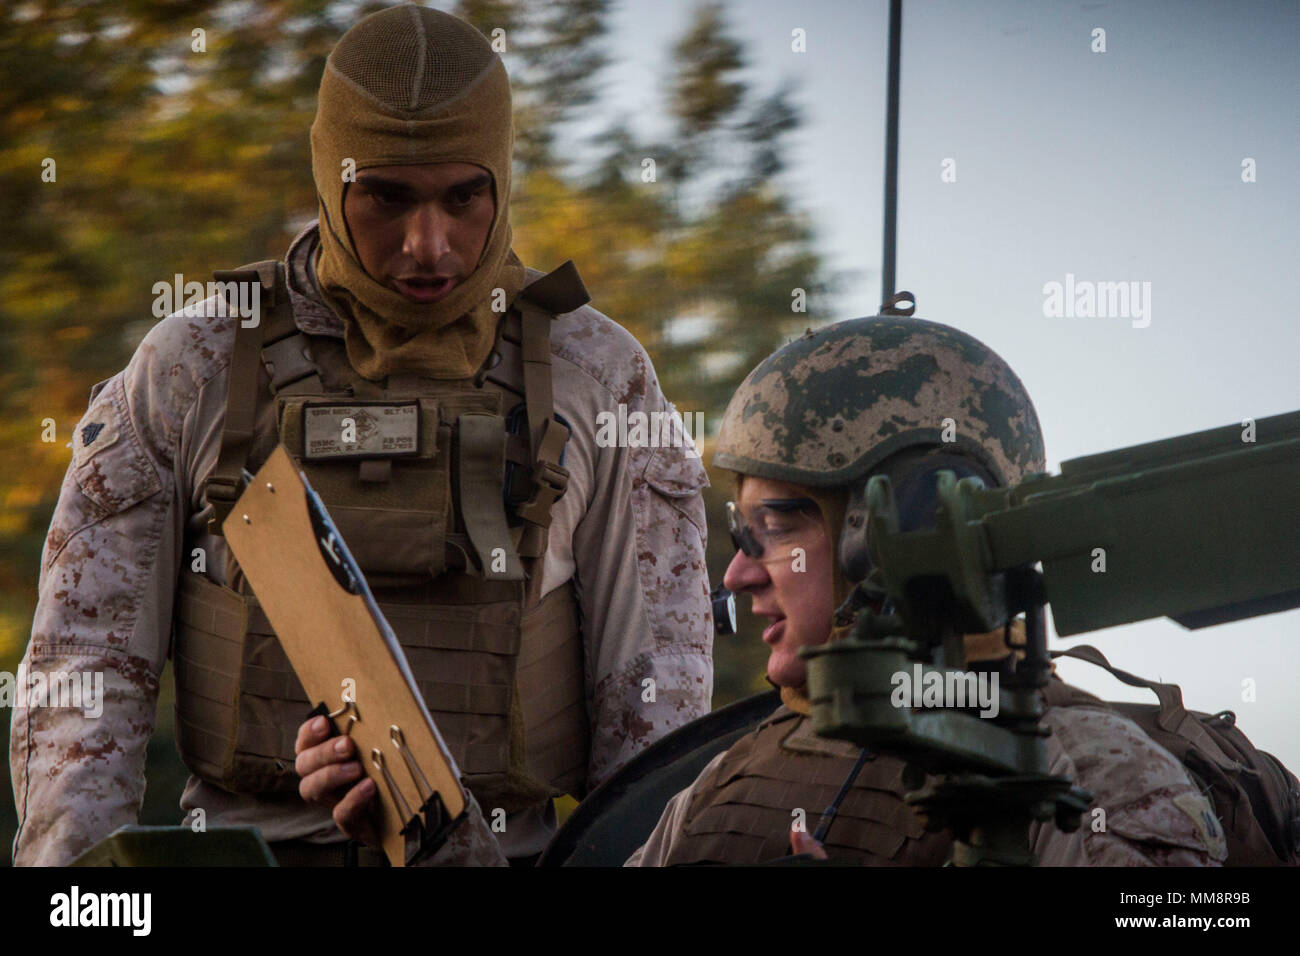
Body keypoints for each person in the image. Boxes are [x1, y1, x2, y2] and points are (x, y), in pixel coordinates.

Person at [10, 4, 712, 867]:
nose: (428, 244)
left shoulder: (598, 375)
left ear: (503, 178)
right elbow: (85, 688)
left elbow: (658, 716)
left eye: (465, 197)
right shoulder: (194, 364)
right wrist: (77, 902)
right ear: (329, 178)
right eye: (387, 197)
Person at [624, 315, 1228, 866]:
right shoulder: (726, 777)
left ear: (910, 524)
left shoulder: (1096, 778)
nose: (737, 575)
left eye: (777, 528)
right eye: (743, 531)